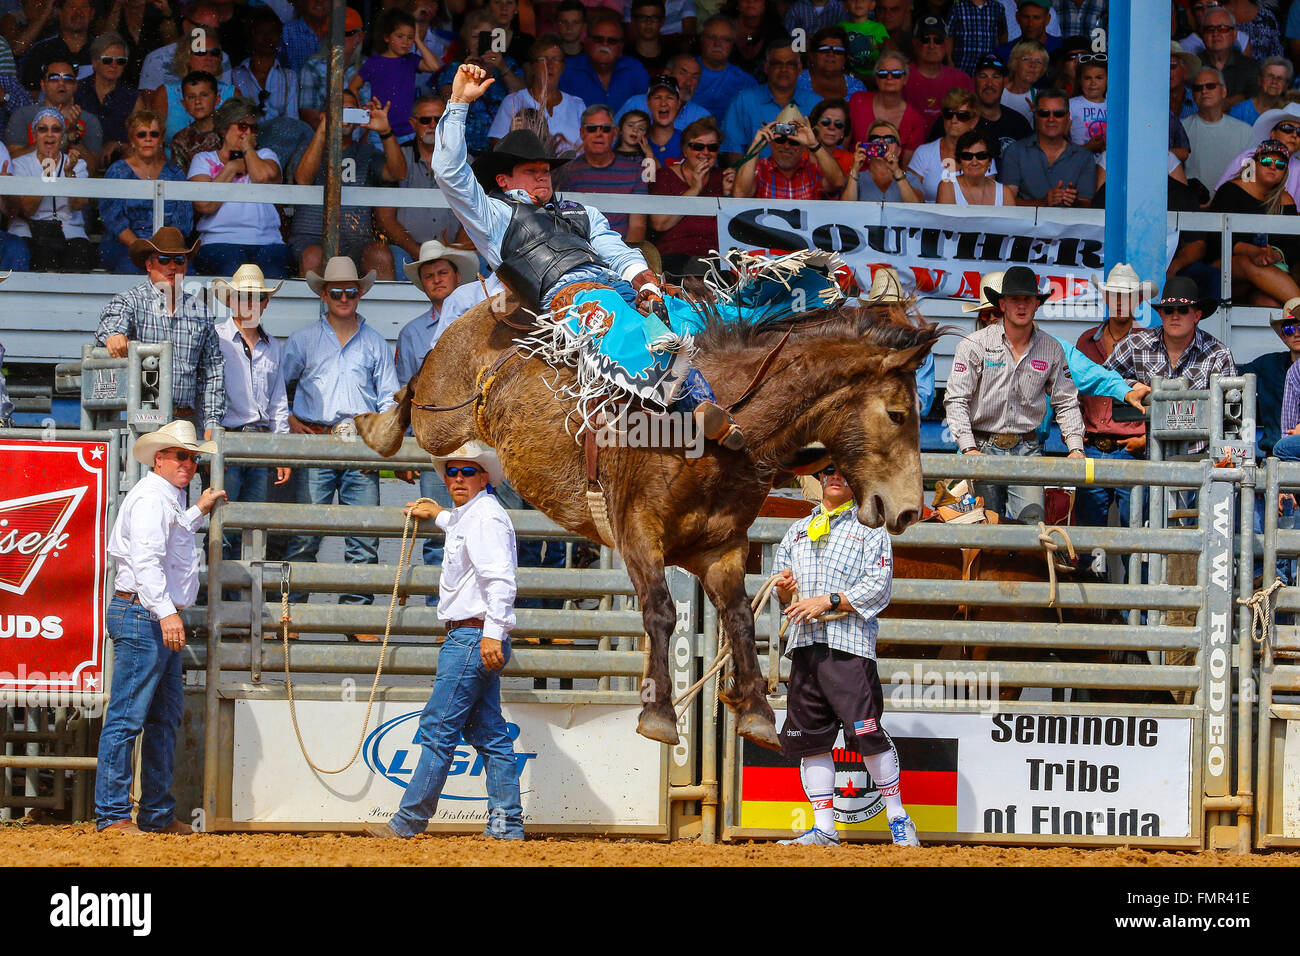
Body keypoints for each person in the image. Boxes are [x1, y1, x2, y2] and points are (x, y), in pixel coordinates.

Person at [435, 62, 746, 448]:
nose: (544, 176)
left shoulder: (580, 212)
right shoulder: (493, 215)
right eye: (532, 171)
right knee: (615, 317)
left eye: (546, 170)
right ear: (504, 180)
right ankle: (697, 407)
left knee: (698, 313)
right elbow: (450, 174)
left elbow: (615, 248)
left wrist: (643, 278)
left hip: (613, 283)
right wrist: (458, 104)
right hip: (571, 296)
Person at [363, 441, 524, 841]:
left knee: (438, 728)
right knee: (489, 732)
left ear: (483, 477)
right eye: (452, 472)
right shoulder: (476, 515)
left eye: (467, 472)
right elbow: (463, 531)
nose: (457, 478)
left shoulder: (485, 518)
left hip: (472, 635)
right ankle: (507, 823)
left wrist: (490, 634)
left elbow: (500, 580)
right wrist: (439, 516)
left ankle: (408, 822)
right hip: (476, 635)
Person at [771, 458, 921, 848]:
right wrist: (786, 587)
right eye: (828, 472)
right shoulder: (797, 531)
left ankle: (899, 819)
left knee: (866, 734)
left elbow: (879, 586)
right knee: (811, 739)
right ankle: (825, 829)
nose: (835, 477)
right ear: (819, 479)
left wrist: (829, 600)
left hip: (849, 647)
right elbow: (783, 588)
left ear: (856, 480)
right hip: (805, 647)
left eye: (842, 471)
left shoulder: (872, 528)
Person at [95, 420, 226, 834]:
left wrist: (197, 511)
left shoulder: (162, 497)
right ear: (160, 458)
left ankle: (151, 813)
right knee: (132, 719)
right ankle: (114, 814)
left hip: (147, 613)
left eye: (192, 457)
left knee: (158, 718)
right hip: (146, 614)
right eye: (181, 456)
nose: (188, 463)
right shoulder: (153, 499)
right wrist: (168, 613)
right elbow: (147, 561)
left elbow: (164, 542)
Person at [281, 257, 400, 632]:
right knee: (304, 535)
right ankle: (290, 614)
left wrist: (377, 442)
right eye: (337, 292)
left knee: (363, 537)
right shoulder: (302, 340)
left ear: (360, 293)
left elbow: (389, 401)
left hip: (359, 444)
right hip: (315, 440)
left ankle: (356, 616)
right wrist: (288, 419)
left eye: (351, 291)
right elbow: (275, 388)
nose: (345, 297)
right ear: (324, 293)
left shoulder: (375, 342)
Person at [943, 265, 1085, 522]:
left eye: (1027, 299)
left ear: (1036, 305)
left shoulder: (1051, 348)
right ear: (1002, 304)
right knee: (982, 527)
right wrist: (968, 448)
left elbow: (1066, 401)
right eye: (1014, 299)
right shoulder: (974, 345)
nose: (1021, 306)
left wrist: (1075, 448)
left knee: (1033, 528)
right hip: (982, 446)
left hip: (1028, 448)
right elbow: (956, 400)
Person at [95, 227, 225, 436]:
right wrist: (114, 334)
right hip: (143, 419)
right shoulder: (131, 300)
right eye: (164, 259)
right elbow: (112, 320)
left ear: (186, 266)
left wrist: (211, 422)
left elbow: (212, 370)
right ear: (149, 264)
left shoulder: (201, 310)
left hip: (186, 420)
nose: (173, 266)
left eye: (180, 260)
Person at [211, 264, 289, 560]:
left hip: (260, 444)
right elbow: (206, 393)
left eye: (257, 298)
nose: (251, 304)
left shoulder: (273, 346)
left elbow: (278, 401)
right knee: (225, 528)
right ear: (231, 300)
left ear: (265, 302)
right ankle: (222, 602)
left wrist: (282, 451)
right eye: (244, 297)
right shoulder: (214, 338)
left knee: (253, 529)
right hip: (227, 441)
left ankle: (244, 602)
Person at [1073, 264, 1155, 530]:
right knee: (1087, 535)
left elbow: (1160, 398)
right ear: (1107, 298)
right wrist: (1077, 438)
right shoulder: (1085, 341)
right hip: (1093, 446)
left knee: (1137, 536)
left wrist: (1145, 440)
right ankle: (1087, 573)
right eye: (1115, 295)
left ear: (1138, 300)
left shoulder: (1150, 344)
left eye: (1127, 296)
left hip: (1131, 448)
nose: (1120, 302)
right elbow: (1073, 393)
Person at [291, 92, 404, 278]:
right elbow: (303, 179)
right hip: (310, 238)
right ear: (323, 115)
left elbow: (397, 173)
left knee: (380, 254)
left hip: (357, 240)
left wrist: (385, 132)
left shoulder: (366, 151)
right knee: (313, 257)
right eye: (338, 111)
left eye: (351, 111)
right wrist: (323, 129)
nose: (344, 116)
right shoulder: (308, 146)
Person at [187, 96, 292, 278]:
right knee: (233, 276)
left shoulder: (266, 155)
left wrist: (248, 150)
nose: (248, 133)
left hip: (268, 242)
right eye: (242, 126)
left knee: (274, 276)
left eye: (254, 128)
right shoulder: (203, 159)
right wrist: (232, 167)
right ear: (224, 128)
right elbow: (204, 205)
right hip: (219, 241)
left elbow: (261, 176)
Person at [373, 94, 462, 278]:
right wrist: (418, 252)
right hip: (407, 251)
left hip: (455, 253)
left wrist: (455, 253)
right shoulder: (398, 158)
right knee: (394, 259)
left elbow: (478, 215)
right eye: (425, 120)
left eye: (439, 119)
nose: (432, 125)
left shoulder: (465, 160)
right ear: (413, 124)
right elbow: (384, 219)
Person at [1105, 276, 1237, 398]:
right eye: (1169, 310)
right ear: (1161, 314)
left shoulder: (1218, 355)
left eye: (1183, 310)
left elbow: (1232, 405)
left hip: (1203, 424)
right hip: (1149, 423)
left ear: (1197, 316)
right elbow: (1103, 376)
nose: (1175, 316)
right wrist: (1132, 386)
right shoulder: (1135, 344)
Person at [1207, 138, 1300, 307]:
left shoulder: (1285, 200)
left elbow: (1294, 244)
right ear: (1254, 163)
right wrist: (1252, 251)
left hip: (1268, 273)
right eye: (1266, 161)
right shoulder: (1230, 190)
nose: (1273, 167)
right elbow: (1213, 238)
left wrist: (1275, 254)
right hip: (1224, 269)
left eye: (1280, 165)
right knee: (1247, 262)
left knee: (1268, 303)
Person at [99, 108, 193, 274]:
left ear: (161, 139)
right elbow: (112, 219)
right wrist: (141, 248)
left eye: (154, 134)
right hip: (125, 245)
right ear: (132, 140)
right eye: (141, 134)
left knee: (188, 274)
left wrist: (162, 248)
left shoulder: (174, 173)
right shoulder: (118, 171)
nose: (148, 139)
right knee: (132, 269)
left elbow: (183, 220)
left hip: (167, 248)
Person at [6, 106, 93, 272]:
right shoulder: (20, 164)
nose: (50, 134)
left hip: (68, 230)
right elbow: (28, 210)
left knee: (78, 259)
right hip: (32, 231)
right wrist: (47, 173)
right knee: (42, 258)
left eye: (56, 129)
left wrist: (69, 175)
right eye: (42, 129)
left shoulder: (77, 164)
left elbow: (77, 205)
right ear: (34, 135)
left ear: (62, 136)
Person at [649, 115, 734, 277]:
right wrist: (695, 188)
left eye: (712, 147)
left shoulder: (722, 177)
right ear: (685, 150)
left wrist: (729, 195)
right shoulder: (664, 176)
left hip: (716, 259)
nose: (706, 152)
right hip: (675, 258)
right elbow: (659, 223)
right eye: (698, 147)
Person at [553, 103, 648, 241]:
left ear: (614, 134)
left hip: (621, 252)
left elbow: (637, 227)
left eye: (605, 129)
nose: (599, 134)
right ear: (582, 133)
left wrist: (624, 257)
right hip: (580, 252)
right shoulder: (567, 171)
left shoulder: (635, 171)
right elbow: (562, 223)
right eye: (592, 129)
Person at [720, 39, 821, 165]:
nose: (784, 69)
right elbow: (733, 152)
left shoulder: (816, 103)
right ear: (766, 67)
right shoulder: (744, 101)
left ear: (799, 69)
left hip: (805, 181)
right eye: (777, 63)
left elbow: (825, 150)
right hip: (755, 181)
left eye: (790, 64)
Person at [354, 7, 440, 145]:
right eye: (400, 36)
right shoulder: (374, 62)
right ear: (387, 37)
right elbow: (353, 87)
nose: (406, 42)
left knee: (405, 164)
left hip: (407, 130)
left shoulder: (411, 60)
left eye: (410, 37)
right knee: (381, 165)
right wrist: (363, 112)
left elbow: (434, 66)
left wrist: (418, 40)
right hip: (379, 129)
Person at [999, 88, 1096, 207]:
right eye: (1044, 113)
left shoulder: (1084, 157)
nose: (1051, 119)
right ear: (1036, 116)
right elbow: (1007, 203)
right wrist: (1043, 202)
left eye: (1058, 114)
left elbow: (1087, 204)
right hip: (1025, 225)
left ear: (1067, 117)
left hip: (1068, 225)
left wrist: (1072, 201)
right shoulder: (1015, 151)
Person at [488, 33, 584, 154]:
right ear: (533, 67)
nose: (550, 65)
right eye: (543, 59)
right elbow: (498, 150)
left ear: (563, 66)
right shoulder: (513, 102)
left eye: (555, 59)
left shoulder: (577, 105)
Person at [145, 36, 235, 150]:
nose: (208, 58)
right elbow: (152, 140)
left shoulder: (232, 93)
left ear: (220, 59)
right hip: (174, 164)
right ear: (186, 57)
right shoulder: (165, 93)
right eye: (200, 52)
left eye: (214, 53)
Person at [6, 59, 103, 162]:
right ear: (43, 85)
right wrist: (49, 140)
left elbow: (92, 172)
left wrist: (72, 135)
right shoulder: (23, 115)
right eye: (54, 78)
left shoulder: (89, 120)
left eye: (68, 79)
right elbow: (12, 161)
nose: (61, 83)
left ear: (75, 86)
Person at [733, 114, 845, 200]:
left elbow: (837, 182)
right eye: (780, 140)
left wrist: (814, 144)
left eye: (794, 141)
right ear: (770, 141)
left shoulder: (813, 171)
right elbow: (740, 195)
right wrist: (756, 145)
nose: (786, 146)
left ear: (803, 147)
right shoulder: (759, 169)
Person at [558, 8, 647, 114]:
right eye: (598, 39)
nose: (605, 44)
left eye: (612, 41)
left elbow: (648, 109)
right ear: (587, 43)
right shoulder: (567, 70)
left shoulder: (634, 69)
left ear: (620, 47)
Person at [847, 50, 927, 165]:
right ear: (876, 78)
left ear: (905, 79)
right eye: (883, 73)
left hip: (893, 180)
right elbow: (843, 147)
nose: (889, 77)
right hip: (857, 177)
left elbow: (906, 169)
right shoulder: (857, 101)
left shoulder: (915, 120)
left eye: (896, 74)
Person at [298, 6, 371, 130]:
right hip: (325, 143)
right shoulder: (312, 66)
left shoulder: (369, 66)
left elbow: (371, 116)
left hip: (361, 145)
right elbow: (309, 116)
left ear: (359, 37)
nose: (337, 38)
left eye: (345, 33)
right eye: (333, 33)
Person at [1183, 67, 1254, 192]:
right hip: (1191, 208)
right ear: (1193, 95)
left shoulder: (1245, 131)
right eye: (1198, 88)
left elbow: (1250, 177)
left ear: (1224, 91)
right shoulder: (1182, 128)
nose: (1204, 91)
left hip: (1232, 207)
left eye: (1210, 86)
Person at [137, 2, 232, 91]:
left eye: (214, 30)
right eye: (203, 28)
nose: (209, 34)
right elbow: (149, 103)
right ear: (186, 26)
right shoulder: (157, 58)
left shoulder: (222, 57)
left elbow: (225, 100)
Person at [75, 32, 136, 168]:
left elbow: (140, 140)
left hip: (118, 166)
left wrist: (118, 144)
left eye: (120, 61)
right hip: (79, 164)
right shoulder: (76, 91)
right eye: (107, 60)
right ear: (94, 62)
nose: (113, 65)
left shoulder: (133, 97)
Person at [1215, 103, 1300, 202]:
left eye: (1299, 132)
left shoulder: (1298, 167)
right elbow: (1225, 196)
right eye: (1287, 128)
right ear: (1272, 133)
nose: (1294, 135)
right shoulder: (1250, 157)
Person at [910, 87, 982, 201]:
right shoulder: (923, 152)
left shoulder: (982, 155)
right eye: (949, 114)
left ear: (974, 121)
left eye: (962, 115)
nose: (953, 120)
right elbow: (909, 198)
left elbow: (986, 198)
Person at [905, 16, 973, 128]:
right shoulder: (900, 77)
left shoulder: (962, 80)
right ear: (915, 43)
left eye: (938, 40)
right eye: (925, 40)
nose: (932, 46)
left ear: (946, 44)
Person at [232, 7, 298, 123]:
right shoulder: (236, 75)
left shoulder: (289, 77)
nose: (267, 38)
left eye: (272, 32)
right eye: (261, 32)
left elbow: (292, 121)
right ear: (251, 35)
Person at [616, 53, 708, 130]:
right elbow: (612, 140)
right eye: (682, 73)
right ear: (667, 74)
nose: (688, 82)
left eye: (695, 77)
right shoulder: (636, 105)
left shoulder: (700, 117)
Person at [692, 14, 756, 121]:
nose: (717, 43)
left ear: (733, 44)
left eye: (725, 39)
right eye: (712, 37)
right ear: (702, 39)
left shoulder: (746, 81)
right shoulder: (684, 72)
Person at [18, 0, 94, 91]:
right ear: (60, 13)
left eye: (84, 6)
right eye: (72, 7)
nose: (78, 12)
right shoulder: (41, 51)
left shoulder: (103, 50)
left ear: (92, 13)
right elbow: (31, 94)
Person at [841, 119, 923, 202]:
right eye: (875, 139)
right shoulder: (855, 177)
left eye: (889, 139)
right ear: (867, 147)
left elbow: (917, 208)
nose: (881, 143)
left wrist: (897, 172)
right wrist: (855, 170)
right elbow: (845, 209)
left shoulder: (910, 179)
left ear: (899, 151)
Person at [970, 52, 1030, 158]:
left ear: (1005, 82)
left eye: (996, 77)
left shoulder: (1019, 124)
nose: (989, 84)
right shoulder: (957, 120)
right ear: (974, 80)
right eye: (983, 77)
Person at [1198, 5, 1258, 107]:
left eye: (1222, 29)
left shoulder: (1251, 67)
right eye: (1210, 29)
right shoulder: (1193, 67)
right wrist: (1233, 101)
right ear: (1202, 36)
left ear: (1234, 35)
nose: (1216, 34)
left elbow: (1255, 103)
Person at [936, 128, 1011, 205]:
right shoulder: (947, 187)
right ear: (959, 161)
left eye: (981, 156)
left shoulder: (1005, 193)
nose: (974, 162)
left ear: (990, 161)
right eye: (967, 156)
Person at [168, 70, 223, 173]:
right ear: (184, 103)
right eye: (191, 97)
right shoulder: (181, 140)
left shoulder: (230, 132)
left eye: (204, 95)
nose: (197, 101)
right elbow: (179, 180)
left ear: (217, 99)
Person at [796, 25, 865, 102]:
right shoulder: (796, 80)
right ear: (812, 56)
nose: (831, 54)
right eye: (824, 49)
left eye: (838, 51)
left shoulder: (857, 87)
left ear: (845, 58)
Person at [947, 0, 1008, 76]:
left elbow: (1002, 34)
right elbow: (949, 35)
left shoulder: (998, 8)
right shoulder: (958, 7)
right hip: (962, 65)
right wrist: (949, 60)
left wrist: (1002, 57)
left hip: (989, 66)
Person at [1229, 55, 1291, 127]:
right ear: (1260, 80)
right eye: (1270, 76)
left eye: (1280, 78)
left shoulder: (1289, 113)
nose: (1274, 81)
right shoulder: (1240, 111)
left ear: (1286, 85)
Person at [993, 0, 1060, 64]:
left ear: (1047, 19)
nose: (1030, 23)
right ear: (1017, 17)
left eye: (1036, 17)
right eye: (1025, 17)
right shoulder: (1004, 53)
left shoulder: (1060, 49)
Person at [999, 38, 1048, 122]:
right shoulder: (997, 93)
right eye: (1027, 59)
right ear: (1015, 62)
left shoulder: (1042, 99)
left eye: (1038, 62)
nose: (1033, 65)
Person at [642, 73, 685, 165]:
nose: (663, 103)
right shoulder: (638, 141)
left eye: (669, 97)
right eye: (657, 97)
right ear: (648, 103)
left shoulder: (689, 141)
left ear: (678, 103)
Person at [1067, 53, 1106, 153]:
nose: (1093, 83)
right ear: (1080, 80)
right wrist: (1087, 148)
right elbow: (1060, 141)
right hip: (1080, 165)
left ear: (1108, 79)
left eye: (1099, 78)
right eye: (1088, 78)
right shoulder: (1071, 105)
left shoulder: (1115, 106)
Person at [627, 0, 669, 75]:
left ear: (662, 21)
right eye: (642, 17)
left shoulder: (672, 58)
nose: (648, 22)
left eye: (654, 18)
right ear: (633, 20)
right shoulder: (623, 56)